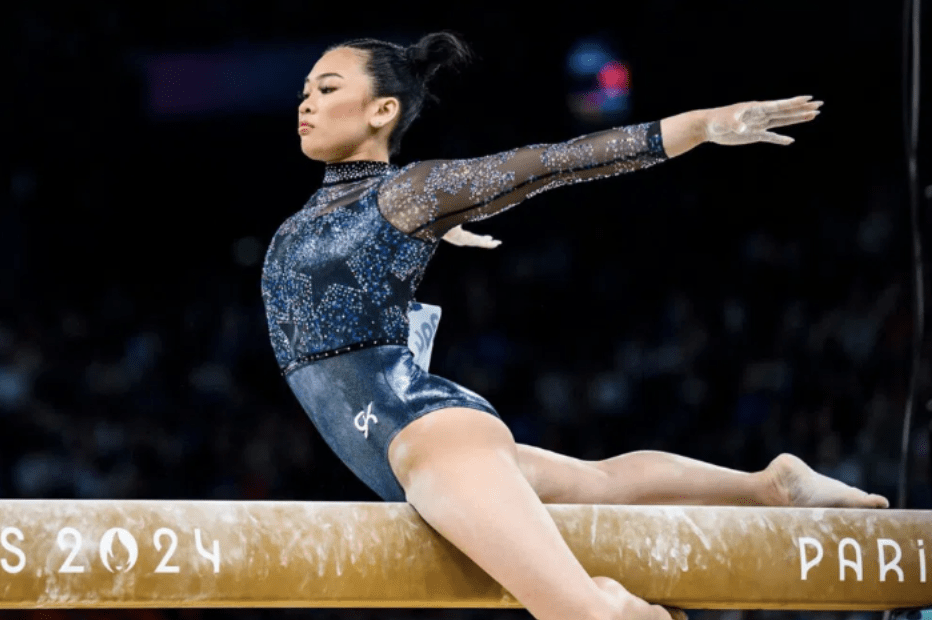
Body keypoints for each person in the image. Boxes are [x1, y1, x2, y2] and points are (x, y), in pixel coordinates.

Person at [261, 31, 889, 620]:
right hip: (404, 450)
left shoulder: (406, 193)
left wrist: (699, 126)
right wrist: (421, 233)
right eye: (304, 91)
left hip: (427, 439)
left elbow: (556, 162)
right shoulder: (338, 214)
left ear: (381, 111)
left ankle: (615, 605)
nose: (306, 103)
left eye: (327, 87)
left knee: (581, 613)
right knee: (599, 482)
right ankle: (771, 487)